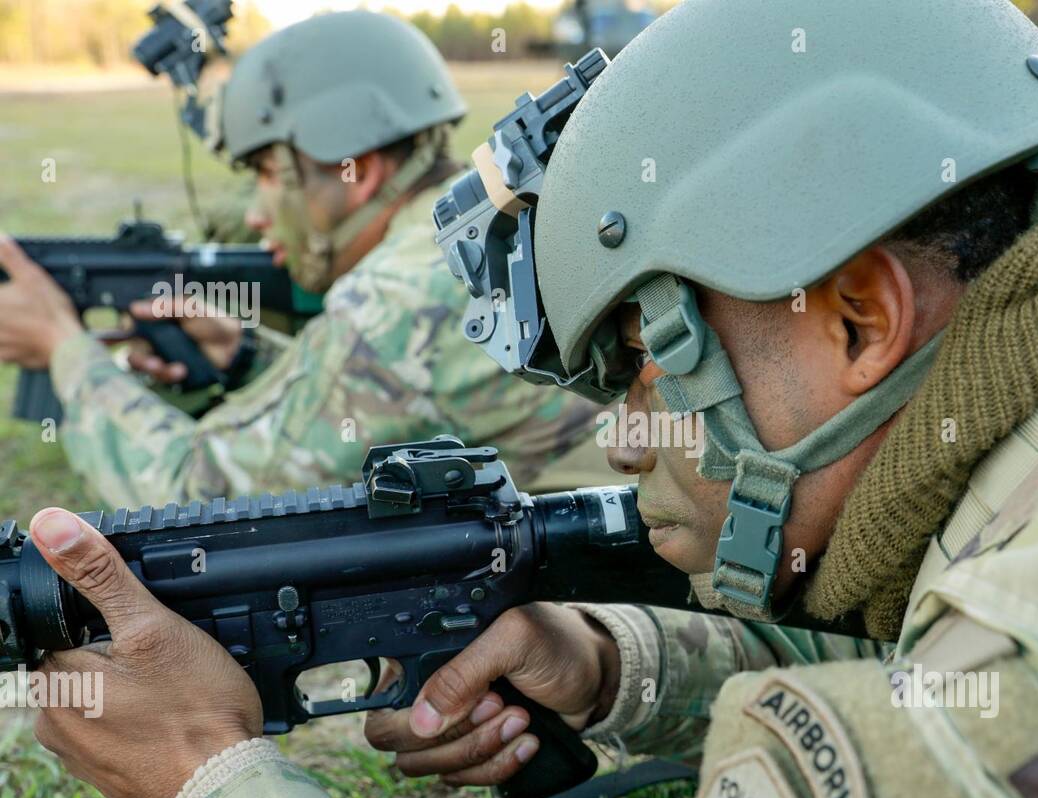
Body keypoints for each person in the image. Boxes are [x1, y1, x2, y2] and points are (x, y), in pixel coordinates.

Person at [25, 0, 1038, 798]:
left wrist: (215, 785)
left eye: (647, 362)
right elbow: (930, 622)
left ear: (860, 316)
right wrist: (609, 663)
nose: (628, 438)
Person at [0, 11, 606, 508]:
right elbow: (397, 401)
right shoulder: (467, 223)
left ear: (358, 171)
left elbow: (200, 497)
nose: (256, 214)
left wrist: (64, 350)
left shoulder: (392, 298)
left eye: (268, 174)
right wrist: (245, 358)